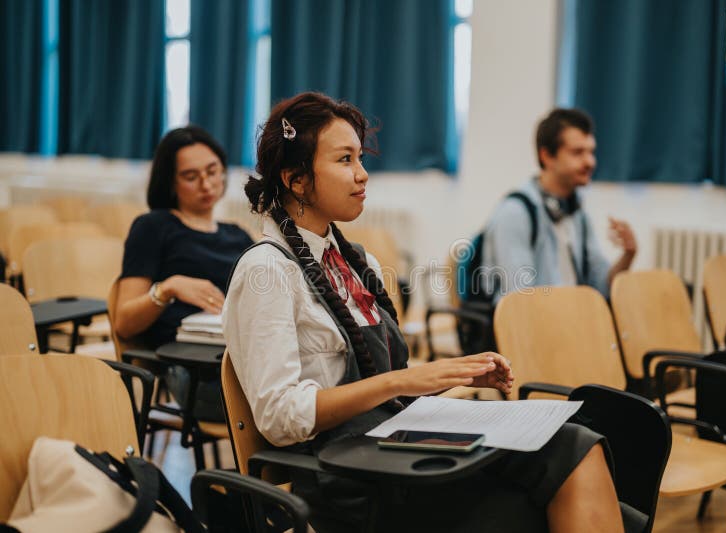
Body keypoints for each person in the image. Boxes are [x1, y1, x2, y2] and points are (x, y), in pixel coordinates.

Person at [223, 92, 643, 532]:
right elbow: (280, 419)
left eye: (360, 158)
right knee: (557, 495)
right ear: (296, 179)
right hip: (348, 481)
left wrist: (452, 374)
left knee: (572, 441)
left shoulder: (349, 259)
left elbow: (382, 384)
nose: (363, 175)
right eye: (345, 160)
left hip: (390, 451)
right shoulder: (266, 270)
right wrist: (403, 381)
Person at [115, 126, 253, 421]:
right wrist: (167, 288)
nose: (206, 183)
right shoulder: (153, 227)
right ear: (171, 182)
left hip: (244, 358)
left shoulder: (238, 236)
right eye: (191, 176)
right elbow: (124, 323)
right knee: (300, 404)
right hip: (195, 372)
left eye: (213, 171)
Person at [480, 108, 636, 301]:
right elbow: (520, 304)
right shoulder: (516, 214)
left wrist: (628, 254)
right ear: (547, 156)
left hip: (569, 322)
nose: (590, 161)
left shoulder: (577, 214)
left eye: (591, 152)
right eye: (577, 152)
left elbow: (602, 287)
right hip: (535, 326)